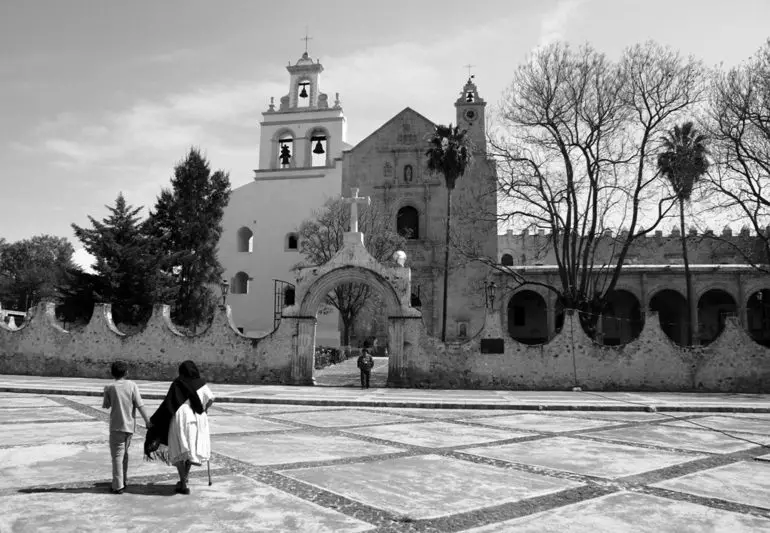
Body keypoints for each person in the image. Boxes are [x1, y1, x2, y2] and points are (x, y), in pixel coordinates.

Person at [144, 360, 214, 495]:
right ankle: (184, 480)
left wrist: (155, 420)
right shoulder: (201, 383)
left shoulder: (178, 382)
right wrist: (205, 409)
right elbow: (210, 399)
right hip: (196, 418)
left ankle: (183, 482)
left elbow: (167, 403)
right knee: (189, 451)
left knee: (177, 450)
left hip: (179, 418)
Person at [102, 360, 152, 495]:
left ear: (112, 373)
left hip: (116, 426)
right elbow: (140, 404)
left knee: (117, 455)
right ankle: (123, 479)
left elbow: (106, 405)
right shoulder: (132, 385)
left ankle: (117, 486)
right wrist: (147, 421)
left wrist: (107, 394)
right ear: (126, 372)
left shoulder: (109, 387)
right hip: (129, 427)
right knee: (124, 454)